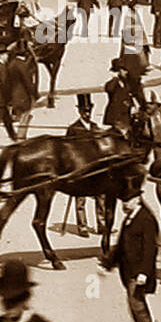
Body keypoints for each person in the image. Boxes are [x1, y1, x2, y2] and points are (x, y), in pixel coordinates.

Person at [102, 182, 160, 322]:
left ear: (137, 200)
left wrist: (144, 272)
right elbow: (120, 246)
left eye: (127, 201)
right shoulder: (130, 218)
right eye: (123, 202)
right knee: (137, 305)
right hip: (128, 271)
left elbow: (151, 249)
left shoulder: (146, 219)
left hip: (138, 272)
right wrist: (106, 263)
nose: (124, 205)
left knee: (137, 305)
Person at [0, 43, 37, 148]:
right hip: (0, 99)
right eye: (5, 54)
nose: (7, 56)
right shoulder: (1, 68)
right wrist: (10, 97)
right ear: (0, 55)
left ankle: (13, 137)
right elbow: (5, 84)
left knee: (7, 121)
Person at [64, 96, 102, 236]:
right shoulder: (73, 129)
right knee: (80, 198)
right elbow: (67, 150)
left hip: (95, 167)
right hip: (80, 167)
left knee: (100, 196)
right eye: (85, 111)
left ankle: (101, 224)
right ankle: (82, 226)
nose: (87, 113)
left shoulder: (95, 127)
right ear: (79, 111)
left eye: (89, 110)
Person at [103, 57, 144, 140]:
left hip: (126, 115)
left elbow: (128, 97)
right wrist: (115, 78)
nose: (126, 72)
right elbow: (109, 89)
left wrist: (132, 106)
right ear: (118, 71)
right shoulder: (113, 84)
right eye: (124, 70)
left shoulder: (125, 83)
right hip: (116, 117)